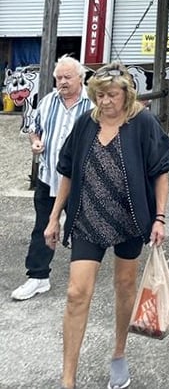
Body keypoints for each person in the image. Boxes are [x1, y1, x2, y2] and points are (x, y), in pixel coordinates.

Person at [44, 62, 169, 389]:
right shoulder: (87, 124)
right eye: (99, 95)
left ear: (126, 94)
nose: (105, 102)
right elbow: (67, 171)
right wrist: (53, 217)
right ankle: (68, 379)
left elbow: (161, 172)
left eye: (112, 95)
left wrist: (159, 217)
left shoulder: (142, 123)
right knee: (76, 293)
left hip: (129, 219)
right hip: (88, 219)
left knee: (125, 285)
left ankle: (118, 353)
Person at [11, 55, 93, 302]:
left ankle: (82, 278)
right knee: (43, 227)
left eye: (68, 77)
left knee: (83, 230)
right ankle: (38, 277)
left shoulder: (94, 106)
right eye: (58, 78)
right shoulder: (47, 101)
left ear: (81, 78)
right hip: (49, 177)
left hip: (82, 182)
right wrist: (35, 142)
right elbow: (34, 127)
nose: (62, 82)